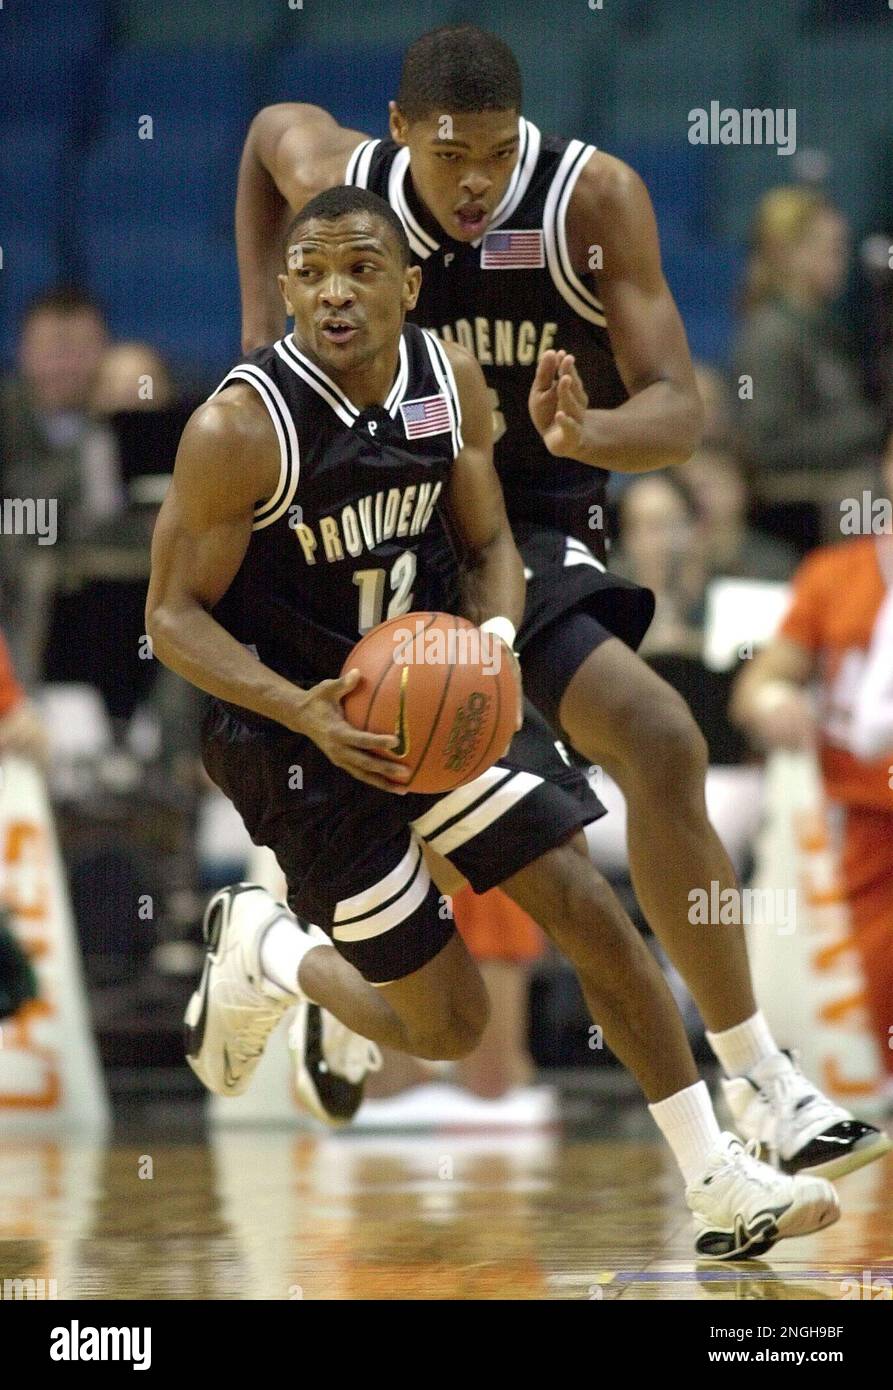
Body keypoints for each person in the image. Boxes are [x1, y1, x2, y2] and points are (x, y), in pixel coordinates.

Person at [232, 26, 888, 1179]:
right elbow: (260, 139)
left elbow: (679, 411)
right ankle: (332, 962)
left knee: (661, 737)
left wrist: (591, 431)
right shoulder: (342, 179)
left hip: (521, 530)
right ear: (398, 134)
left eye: (497, 154)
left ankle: (764, 1085)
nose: (475, 184)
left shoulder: (589, 201)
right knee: (468, 822)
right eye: (450, 158)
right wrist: (256, 325)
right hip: (380, 527)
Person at [148, 187, 846, 1258]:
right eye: (312, 273)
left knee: (584, 900)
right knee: (449, 1026)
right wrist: (300, 710)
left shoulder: (448, 381)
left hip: (428, 692)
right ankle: (272, 951)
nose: (334, 293)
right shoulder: (238, 428)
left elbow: (485, 544)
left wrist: (500, 643)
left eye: (361, 269)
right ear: (284, 288)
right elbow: (170, 616)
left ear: (408, 284)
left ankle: (713, 1176)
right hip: (296, 740)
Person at [732, 435, 893, 1104]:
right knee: (860, 984)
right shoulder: (834, 574)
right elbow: (758, 683)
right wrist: (775, 701)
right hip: (861, 816)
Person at [731, 186, 885, 540]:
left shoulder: (826, 328)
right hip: (800, 497)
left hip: (843, 474)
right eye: (833, 249)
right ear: (791, 254)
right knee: (866, 496)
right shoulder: (769, 335)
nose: (842, 261)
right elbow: (766, 445)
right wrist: (870, 427)